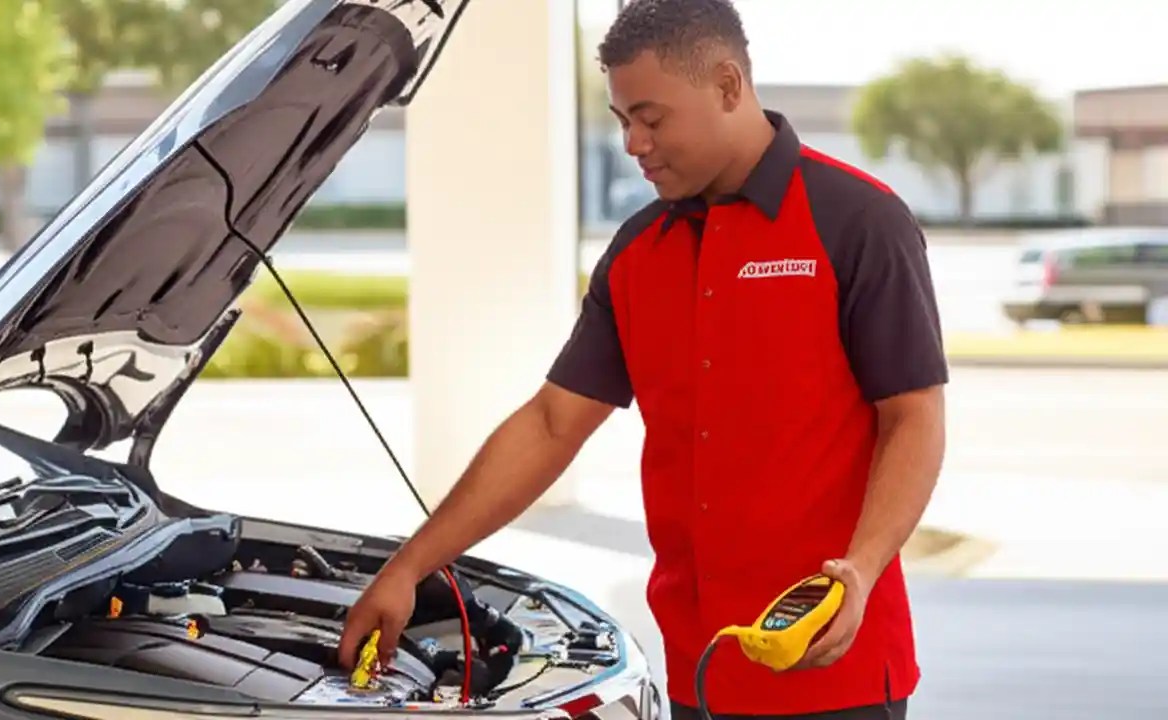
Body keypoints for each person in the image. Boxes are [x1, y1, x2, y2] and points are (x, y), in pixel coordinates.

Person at [337, 0, 947, 717]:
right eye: (623, 118)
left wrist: (863, 568)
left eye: (651, 119)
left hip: (832, 674)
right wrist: (411, 567)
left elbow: (914, 418)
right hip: (695, 671)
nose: (632, 142)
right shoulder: (636, 254)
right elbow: (550, 425)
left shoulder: (860, 222)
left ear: (727, 87)